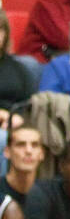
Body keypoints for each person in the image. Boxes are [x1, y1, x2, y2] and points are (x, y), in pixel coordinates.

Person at [0, 11, 38, 140]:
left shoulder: (19, 68)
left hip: (16, 124)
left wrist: (19, 118)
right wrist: (3, 115)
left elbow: (29, 102)